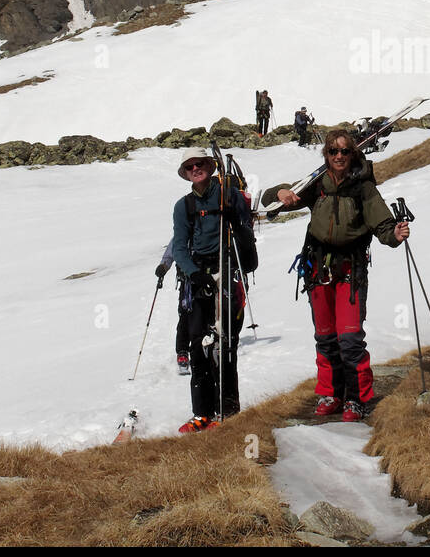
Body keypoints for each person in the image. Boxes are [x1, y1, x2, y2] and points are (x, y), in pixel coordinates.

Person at [276, 129, 409, 421]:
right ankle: (330, 394)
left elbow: (383, 224)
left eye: (344, 152)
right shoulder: (317, 184)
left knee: (349, 338)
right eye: (333, 152)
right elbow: (278, 198)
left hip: (351, 269)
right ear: (326, 155)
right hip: (317, 268)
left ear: (353, 154)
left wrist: (395, 234)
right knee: (325, 337)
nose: (339, 156)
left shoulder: (363, 188)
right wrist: (281, 192)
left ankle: (356, 398)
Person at [167, 147, 251, 432]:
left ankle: (228, 411)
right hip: (197, 276)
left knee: (225, 344)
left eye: (200, 164)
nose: (196, 169)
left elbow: (245, 223)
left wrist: (234, 202)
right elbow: (179, 245)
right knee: (197, 345)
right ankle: (201, 413)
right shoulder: (183, 206)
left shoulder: (228, 193)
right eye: (190, 166)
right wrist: (193, 273)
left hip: (226, 268)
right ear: (186, 173)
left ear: (209, 166)